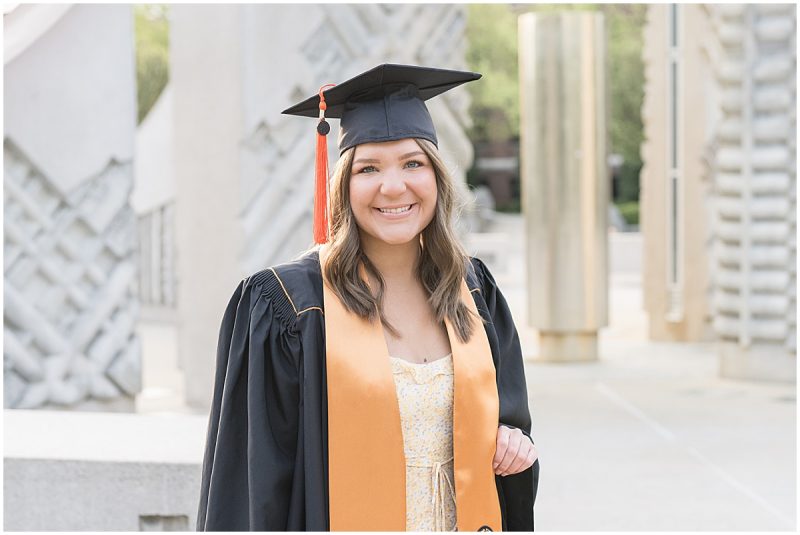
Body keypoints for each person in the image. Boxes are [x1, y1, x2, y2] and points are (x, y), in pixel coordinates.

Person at [196, 64, 539, 532]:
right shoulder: (289, 307)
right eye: (369, 168)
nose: (393, 186)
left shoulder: (473, 291)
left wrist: (514, 443)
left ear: (437, 177)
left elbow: (510, 426)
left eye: (412, 163)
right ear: (343, 185)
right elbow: (253, 488)